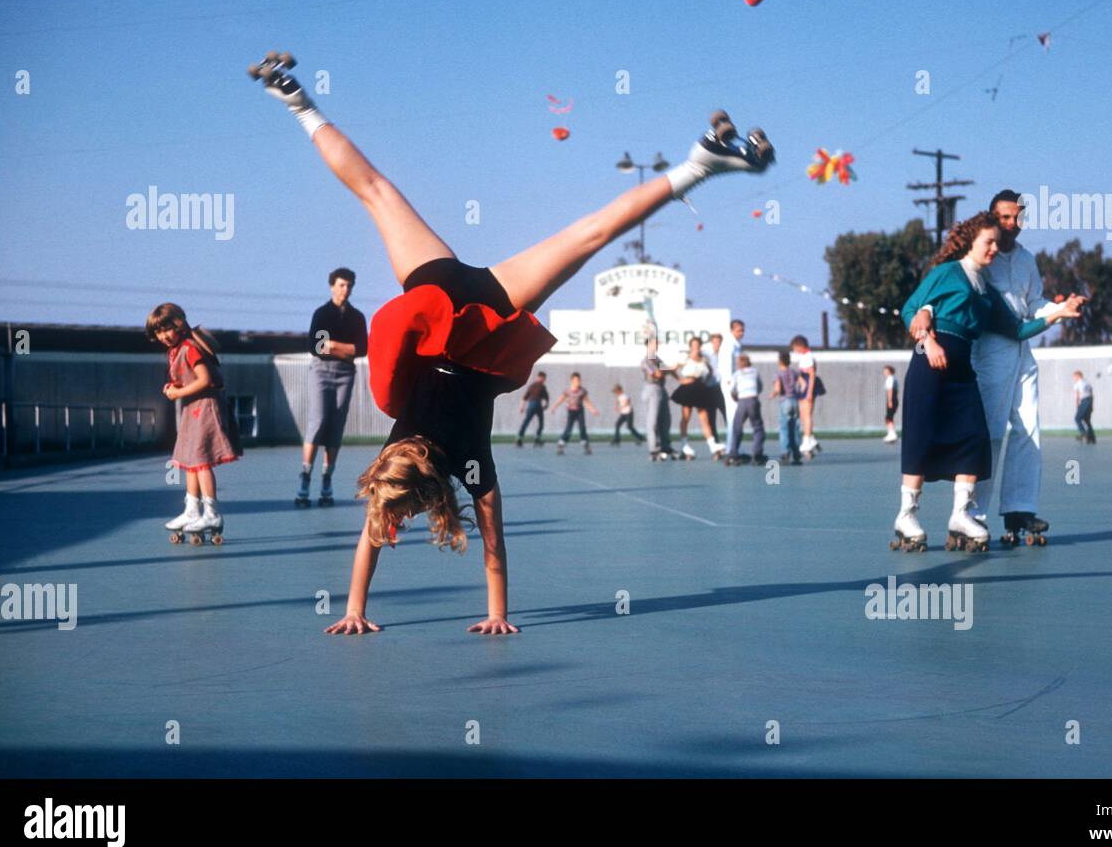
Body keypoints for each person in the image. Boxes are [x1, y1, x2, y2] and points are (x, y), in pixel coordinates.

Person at [252, 54, 772, 634]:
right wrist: (355, 608)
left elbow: (491, 545)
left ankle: (700, 164)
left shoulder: (469, 464)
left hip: (492, 314)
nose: (385, 520)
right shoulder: (397, 451)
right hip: (438, 291)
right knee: (376, 191)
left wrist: (493, 614)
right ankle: (298, 102)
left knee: (590, 236)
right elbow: (377, 530)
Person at [891, 211, 1081, 552]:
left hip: (962, 364)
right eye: (987, 242)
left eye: (996, 242)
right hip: (930, 359)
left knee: (975, 438)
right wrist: (928, 342)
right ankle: (907, 515)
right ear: (970, 242)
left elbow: (1018, 330)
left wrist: (1056, 313)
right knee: (921, 435)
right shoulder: (947, 273)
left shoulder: (986, 291)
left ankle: (961, 514)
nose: (994, 249)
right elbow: (910, 310)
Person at [148, 303, 243, 544]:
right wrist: (174, 387)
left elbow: (205, 379)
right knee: (190, 461)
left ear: (179, 323)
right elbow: (188, 379)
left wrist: (179, 394)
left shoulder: (190, 347)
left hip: (206, 406)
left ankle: (211, 513)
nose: (163, 336)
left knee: (201, 460)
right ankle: (192, 509)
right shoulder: (176, 349)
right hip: (194, 407)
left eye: (167, 329)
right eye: (158, 333)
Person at [298, 267, 368, 507]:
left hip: (346, 374)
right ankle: (305, 477)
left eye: (348, 285)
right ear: (332, 286)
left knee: (336, 425)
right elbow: (315, 347)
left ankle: (326, 480)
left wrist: (332, 344)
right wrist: (344, 349)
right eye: (341, 285)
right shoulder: (321, 314)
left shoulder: (357, 317)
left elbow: (361, 349)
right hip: (321, 372)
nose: (345, 290)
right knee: (317, 421)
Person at [671, 336, 727, 460]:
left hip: (700, 388)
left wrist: (705, 380)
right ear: (690, 346)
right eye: (693, 345)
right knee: (686, 417)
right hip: (687, 389)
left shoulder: (704, 359)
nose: (696, 347)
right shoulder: (685, 357)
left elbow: (711, 371)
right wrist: (680, 379)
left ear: (700, 346)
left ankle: (712, 445)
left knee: (704, 418)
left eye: (698, 345)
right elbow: (672, 369)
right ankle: (684, 445)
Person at [641, 337, 679, 461]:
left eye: (657, 344)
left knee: (665, 420)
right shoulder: (646, 360)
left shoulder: (657, 359)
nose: (656, 346)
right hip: (652, 389)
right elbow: (657, 374)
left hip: (661, 389)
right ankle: (654, 450)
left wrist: (681, 379)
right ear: (647, 345)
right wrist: (672, 368)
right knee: (652, 421)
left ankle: (665, 447)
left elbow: (668, 370)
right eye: (653, 344)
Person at [725, 353, 767, 465]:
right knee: (758, 427)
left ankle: (733, 454)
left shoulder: (736, 374)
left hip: (742, 402)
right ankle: (757, 455)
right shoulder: (755, 371)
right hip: (753, 400)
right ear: (749, 362)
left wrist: (737, 399)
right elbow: (760, 387)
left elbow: (732, 390)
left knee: (737, 427)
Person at [790, 335, 826, 456]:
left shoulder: (808, 357)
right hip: (804, 387)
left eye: (795, 348)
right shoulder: (805, 357)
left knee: (807, 414)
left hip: (809, 388)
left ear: (800, 346)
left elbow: (811, 375)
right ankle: (811, 438)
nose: (794, 350)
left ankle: (807, 440)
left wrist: (809, 392)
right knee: (803, 415)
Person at [551, 372, 599, 454]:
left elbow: (587, 402)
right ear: (572, 381)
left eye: (579, 380)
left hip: (580, 411)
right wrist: (554, 406)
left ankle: (586, 445)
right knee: (568, 429)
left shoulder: (582, 391)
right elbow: (561, 399)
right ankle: (561, 444)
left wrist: (593, 410)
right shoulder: (567, 391)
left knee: (582, 428)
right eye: (576, 380)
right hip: (571, 411)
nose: (578, 382)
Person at [770, 350, 803, 464]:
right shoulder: (794, 372)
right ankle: (796, 452)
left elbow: (778, 389)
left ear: (780, 361)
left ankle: (785, 452)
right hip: (795, 401)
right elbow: (803, 384)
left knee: (784, 428)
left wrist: (773, 394)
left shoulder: (778, 374)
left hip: (785, 402)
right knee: (795, 428)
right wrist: (798, 393)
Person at [514, 372, 549, 447]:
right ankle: (537, 439)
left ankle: (519, 438)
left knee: (526, 422)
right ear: (540, 377)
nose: (544, 380)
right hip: (536, 405)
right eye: (543, 378)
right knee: (540, 423)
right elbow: (546, 398)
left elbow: (525, 397)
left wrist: (522, 407)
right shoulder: (541, 386)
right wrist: (546, 404)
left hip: (531, 405)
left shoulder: (532, 386)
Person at [1072, 370, 1095, 444]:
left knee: (1077, 418)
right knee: (1087, 420)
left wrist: (1077, 405)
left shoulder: (1077, 384)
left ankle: (1083, 433)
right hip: (1089, 401)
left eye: (1074, 377)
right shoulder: (1087, 383)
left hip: (1084, 401)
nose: (1074, 378)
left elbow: (1077, 395)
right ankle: (1091, 438)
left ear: (1078, 376)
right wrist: (1091, 405)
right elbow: (1091, 394)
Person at [882, 365, 899, 443]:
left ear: (889, 371)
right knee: (889, 417)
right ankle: (891, 433)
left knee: (889, 417)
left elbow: (890, 390)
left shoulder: (890, 378)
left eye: (885, 370)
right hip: (894, 399)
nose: (884, 372)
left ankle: (892, 434)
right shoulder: (894, 379)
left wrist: (890, 401)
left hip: (892, 399)